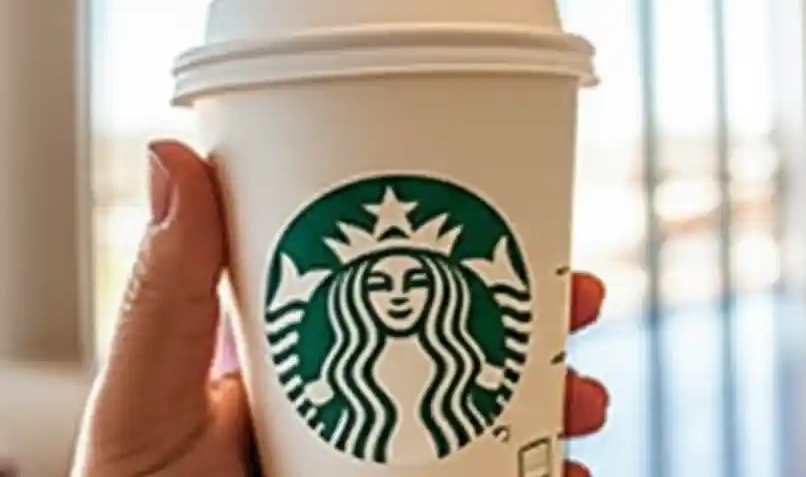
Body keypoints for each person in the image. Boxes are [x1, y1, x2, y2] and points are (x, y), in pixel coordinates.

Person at [73, 141, 609, 476]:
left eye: (416, 281)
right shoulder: (343, 382)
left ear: (446, 290)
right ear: (352, 296)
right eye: (378, 282)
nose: (398, 295)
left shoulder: (467, 373)